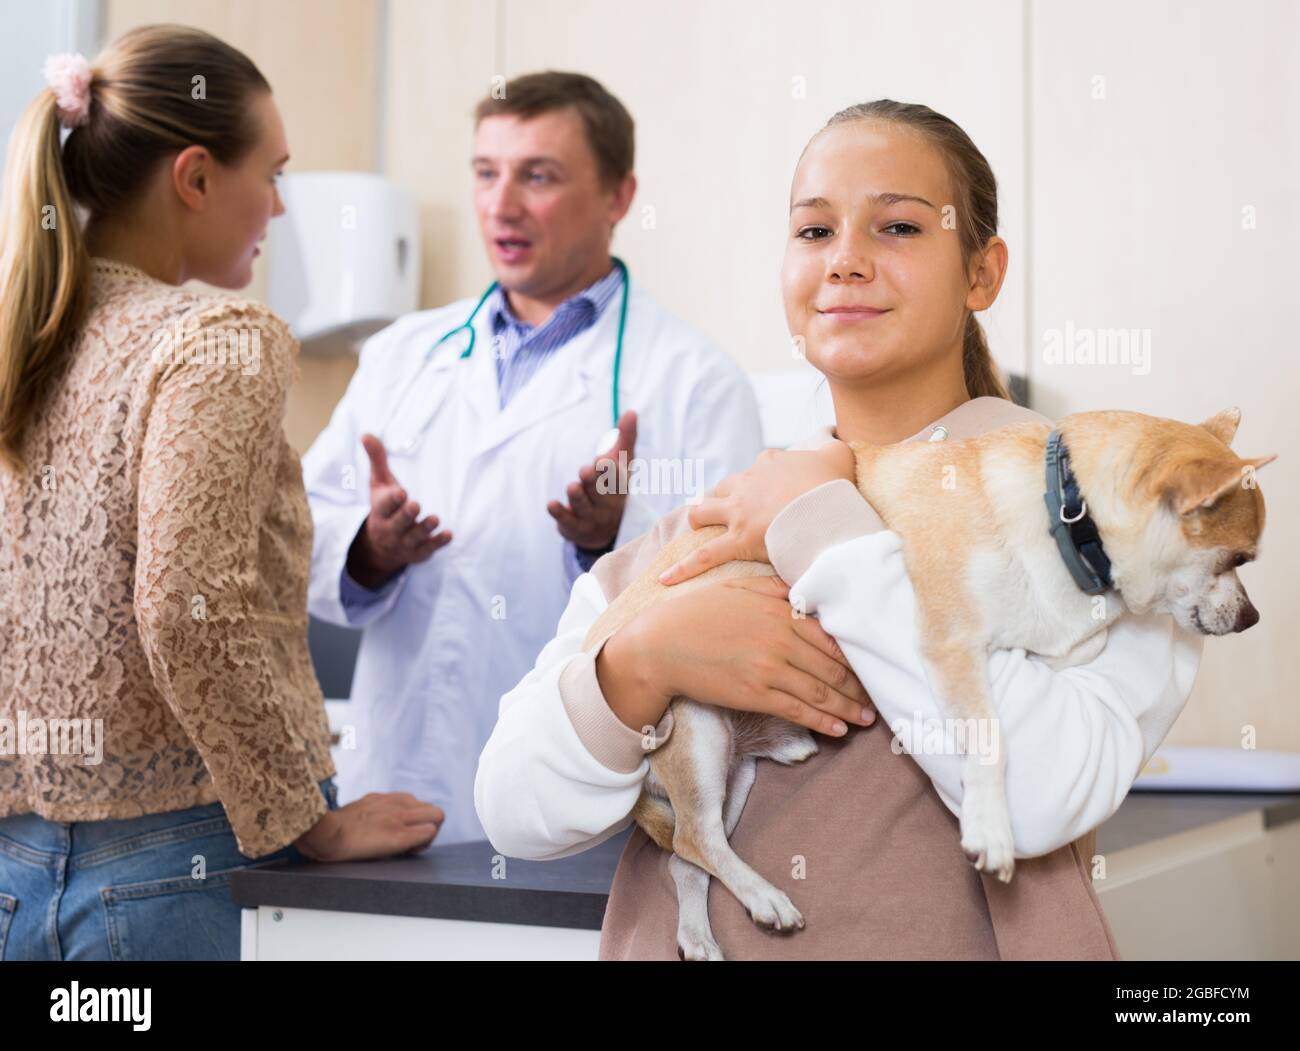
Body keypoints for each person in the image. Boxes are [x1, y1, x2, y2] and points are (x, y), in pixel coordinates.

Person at [475, 99, 1204, 959]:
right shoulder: (707, 527)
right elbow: (513, 812)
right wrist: (643, 661)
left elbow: (1037, 794)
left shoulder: (1094, 522)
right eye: (814, 232)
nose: (847, 260)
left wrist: (824, 523)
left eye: (897, 226)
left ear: (983, 273)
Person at [0, 25, 439, 962]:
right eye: (271, 173)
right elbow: (186, 608)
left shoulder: (23, 342)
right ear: (194, 178)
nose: (278, 206)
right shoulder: (218, 339)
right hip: (169, 875)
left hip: (13, 868)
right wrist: (300, 817)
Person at [303, 71, 764, 845]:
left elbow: (734, 598)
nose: (500, 204)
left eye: (537, 176)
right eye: (486, 172)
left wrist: (610, 540)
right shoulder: (401, 357)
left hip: (588, 805)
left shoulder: (696, 379)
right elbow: (297, 532)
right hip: (398, 794)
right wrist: (368, 549)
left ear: (619, 195)